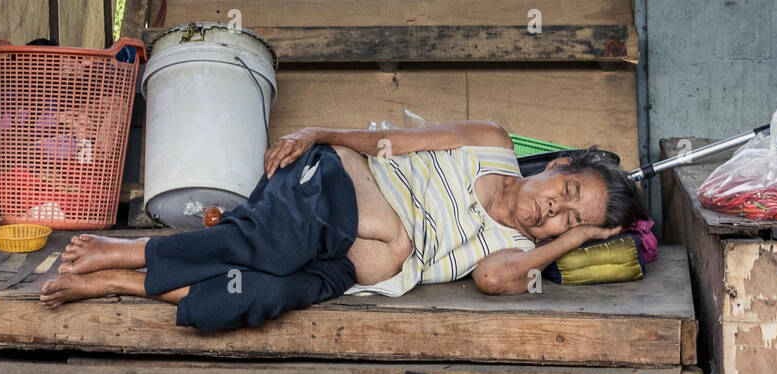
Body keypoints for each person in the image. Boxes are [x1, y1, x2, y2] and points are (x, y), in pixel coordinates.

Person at [40, 120, 647, 330]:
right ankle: (132, 250)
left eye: (569, 222)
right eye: (566, 192)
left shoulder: (512, 251)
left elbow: (492, 281)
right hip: (339, 182)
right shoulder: (489, 144)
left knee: (263, 292)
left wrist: (575, 239)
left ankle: (118, 281)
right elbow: (388, 141)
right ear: (560, 164)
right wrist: (319, 135)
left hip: (344, 261)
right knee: (367, 248)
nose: (553, 211)